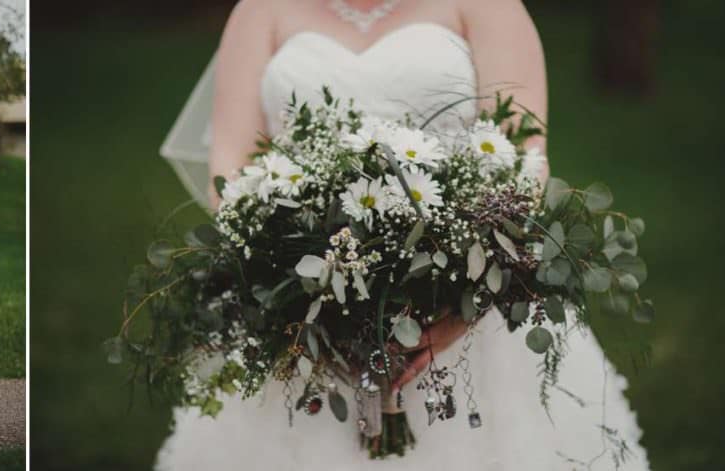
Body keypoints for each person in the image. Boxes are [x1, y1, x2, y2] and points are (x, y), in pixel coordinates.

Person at [156, 1, 649, 469]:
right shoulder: (259, 11)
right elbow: (230, 171)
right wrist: (297, 292)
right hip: (301, 326)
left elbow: (523, 159)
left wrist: (465, 303)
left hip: (467, 321)